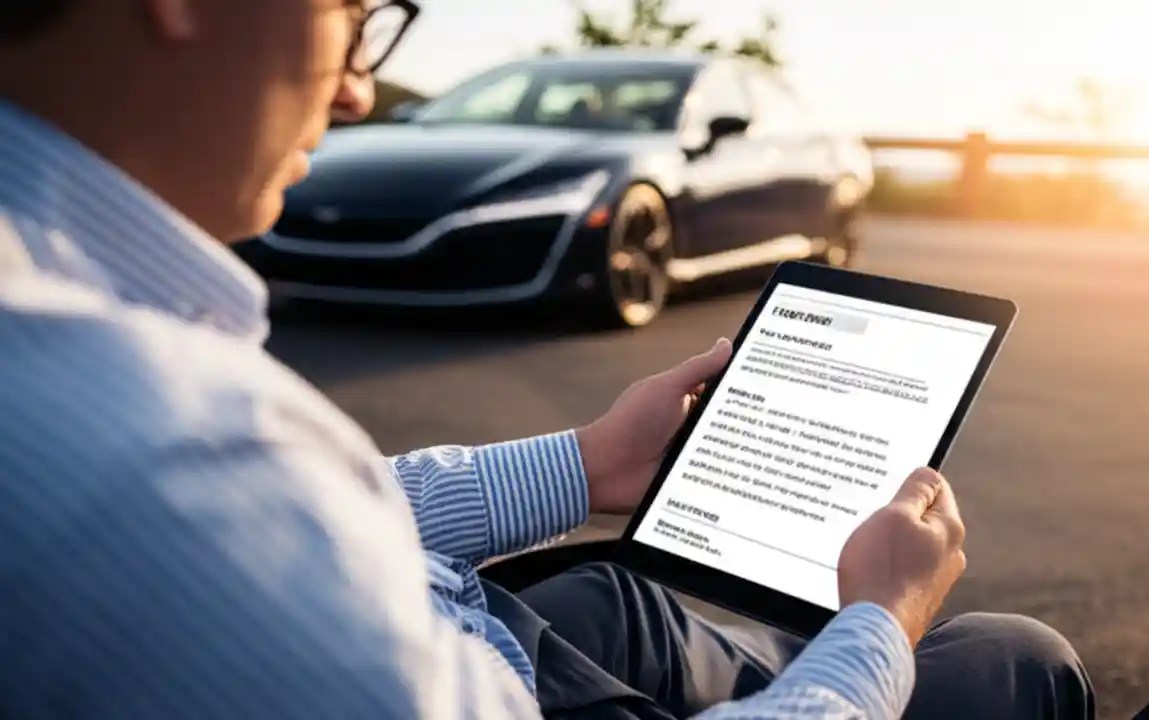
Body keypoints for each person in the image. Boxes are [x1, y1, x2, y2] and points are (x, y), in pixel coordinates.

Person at [0, 2, 1094, 718]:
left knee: (643, 594)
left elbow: (298, 526)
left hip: (487, 620)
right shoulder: (153, 454)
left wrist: (584, 466)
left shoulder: (85, 351)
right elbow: (227, 521)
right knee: (1013, 655)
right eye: (351, 15)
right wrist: (876, 627)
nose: (355, 92)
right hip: (496, 680)